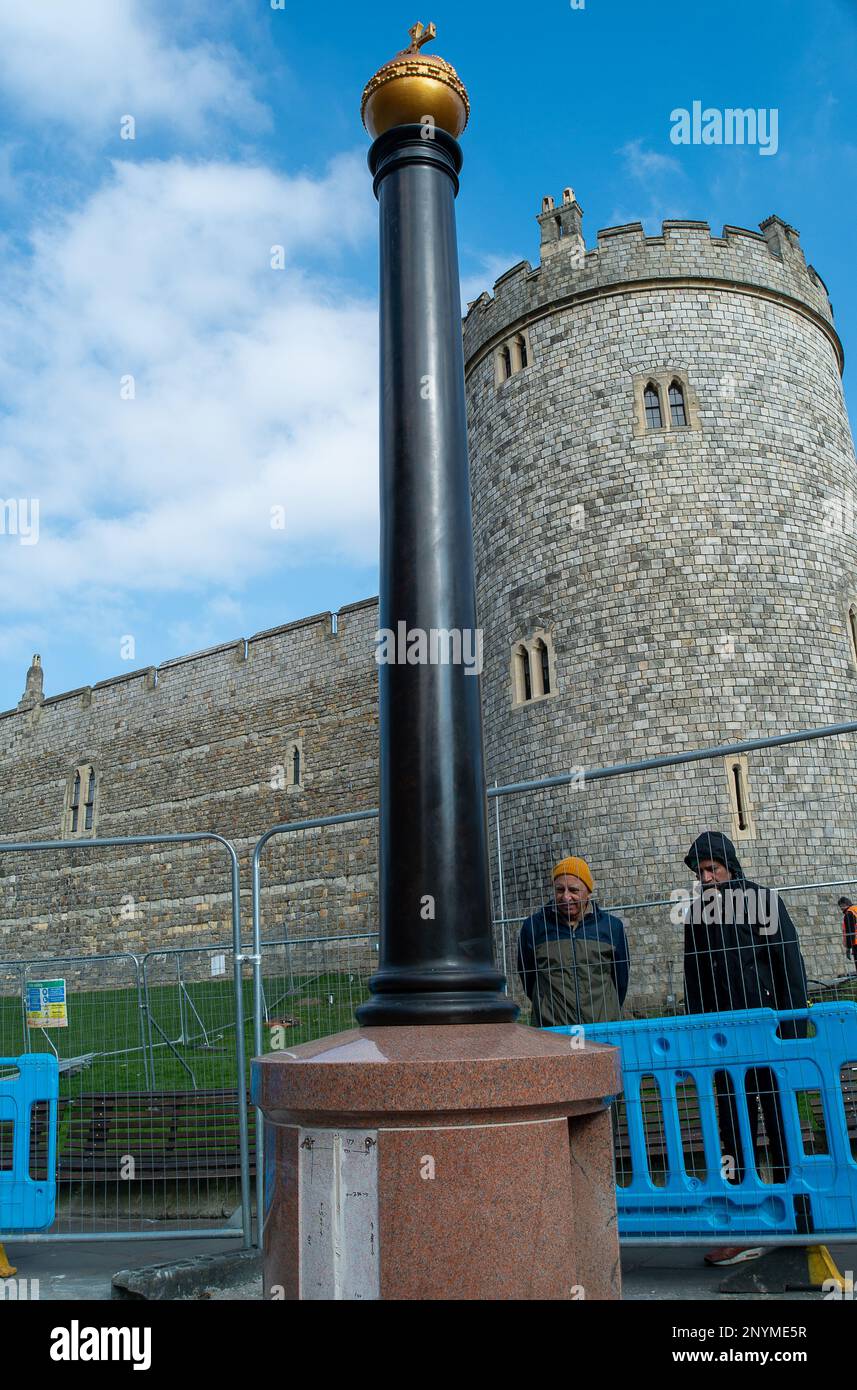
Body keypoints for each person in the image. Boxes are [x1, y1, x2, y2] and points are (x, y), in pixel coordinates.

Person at [682, 830, 809, 1268]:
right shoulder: (696, 914)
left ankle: (800, 1218)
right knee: (732, 1131)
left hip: (766, 1035)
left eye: (712, 868)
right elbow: (694, 978)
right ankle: (742, 1226)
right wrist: (698, 1034)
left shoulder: (763, 901)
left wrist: (792, 1030)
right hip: (722, 1044)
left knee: (779, 1123)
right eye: (700, 872)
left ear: (730, 867)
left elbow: (788, 962)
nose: (707, 878)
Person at [517, 856, 629, 1026]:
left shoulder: (611, 927)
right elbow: (528, 977)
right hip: (553, 1032)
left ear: (588, 891)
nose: (566, 897)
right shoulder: (533, 928)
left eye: (574, 890)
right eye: (560, 890)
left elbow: (620, 979)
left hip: (603, 1028)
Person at [837, 897, 857, 980]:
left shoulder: (849, 914)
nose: (841, 909)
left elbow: (850, 932)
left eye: (840, 906)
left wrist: (848, 948)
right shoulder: (855, 909)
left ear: (844, 905)